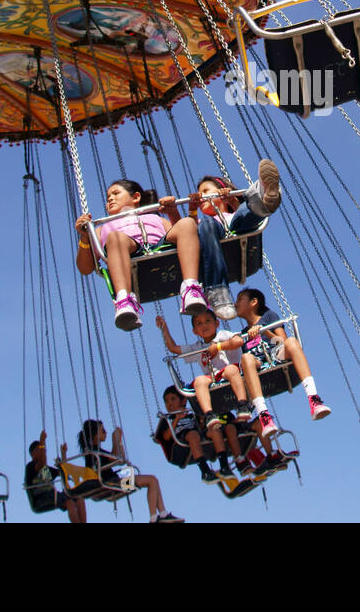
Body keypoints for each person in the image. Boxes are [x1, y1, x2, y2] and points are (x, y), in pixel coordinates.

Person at [75, 178, 204, 331]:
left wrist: (172, 211)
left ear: (136, 197)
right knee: (115, 237)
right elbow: (85, 268)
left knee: (188, 223)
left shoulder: (156, 218)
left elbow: (185, 234)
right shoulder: (102, 229)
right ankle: (124, 299)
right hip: (128, 253)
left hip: (162, 248)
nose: (110, 198)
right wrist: (85, 237)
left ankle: (190, 287)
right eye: (108, 197)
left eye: (116, 193)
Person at [188, 160, 283, 319]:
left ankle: (264, 197)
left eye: (206, 191)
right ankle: (217, 290)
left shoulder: (233, 215)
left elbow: (240, 215)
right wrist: (192, 209)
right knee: (206, 225)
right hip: (212, 235)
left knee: (241, 216)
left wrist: (231, 199)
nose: (202, 196)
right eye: (200, 193)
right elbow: (187, 230)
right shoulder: (203, 223)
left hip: (235, 228)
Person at [234, 288, 331, 422]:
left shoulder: (269, 316)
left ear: (253, 302)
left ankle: (314, 399)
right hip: (257, 362)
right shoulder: (243, 333)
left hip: (275, 354)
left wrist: (265, 332)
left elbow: (282, 342)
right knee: (246, 358)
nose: (235, 303)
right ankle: (263, 414)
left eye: (239, 299)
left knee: (291, 341)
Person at [156, 312, 255, 438]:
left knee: (231, 369)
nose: (204, 325)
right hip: (212, 378)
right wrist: (164, 328)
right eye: (199, 323)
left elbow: (238, 341)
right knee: (199, 380)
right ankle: (209, 414)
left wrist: (218, 346)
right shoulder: (198, 347)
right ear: (195, 331)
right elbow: (173, 348)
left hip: (229, 371)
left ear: (217, 323)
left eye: (208, 321)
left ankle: (242, 404)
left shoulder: (222, 335)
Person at [77, 419, 182, 523]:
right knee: (151, 480)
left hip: (113, 482)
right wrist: (115, 440)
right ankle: (154, 518)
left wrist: (119, 441)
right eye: (103, 431)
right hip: (111, 484)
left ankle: (162, 514)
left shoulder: (95, 450)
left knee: (153, 480)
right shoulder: (93, 452)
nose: (106, 432)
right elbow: (116, 458)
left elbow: (121, 459)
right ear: (94, 435)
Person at [155, 386, 249, 482]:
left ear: (183, 401)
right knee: (193, 435)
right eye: (166, 401)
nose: (169, 403)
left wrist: (201, 420)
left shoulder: (192, 413)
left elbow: (202, 427)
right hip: (182, 437)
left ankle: (224, 466)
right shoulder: (168, 418)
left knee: (214, 430)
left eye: (173, 399)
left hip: (199, 433)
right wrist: (176, 419)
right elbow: (166, 437)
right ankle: (205, 471)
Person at [24, 430, 86, 523]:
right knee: (69, 502)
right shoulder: (31, 466)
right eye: (40, 450)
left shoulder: (46, 469)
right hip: (40, 499)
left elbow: (63, 472)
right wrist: (42, 441)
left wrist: (63, 454)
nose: (43, 452)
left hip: (52, 495)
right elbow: (41, 463)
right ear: (33, 454)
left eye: (44, 450)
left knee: (79, 498)